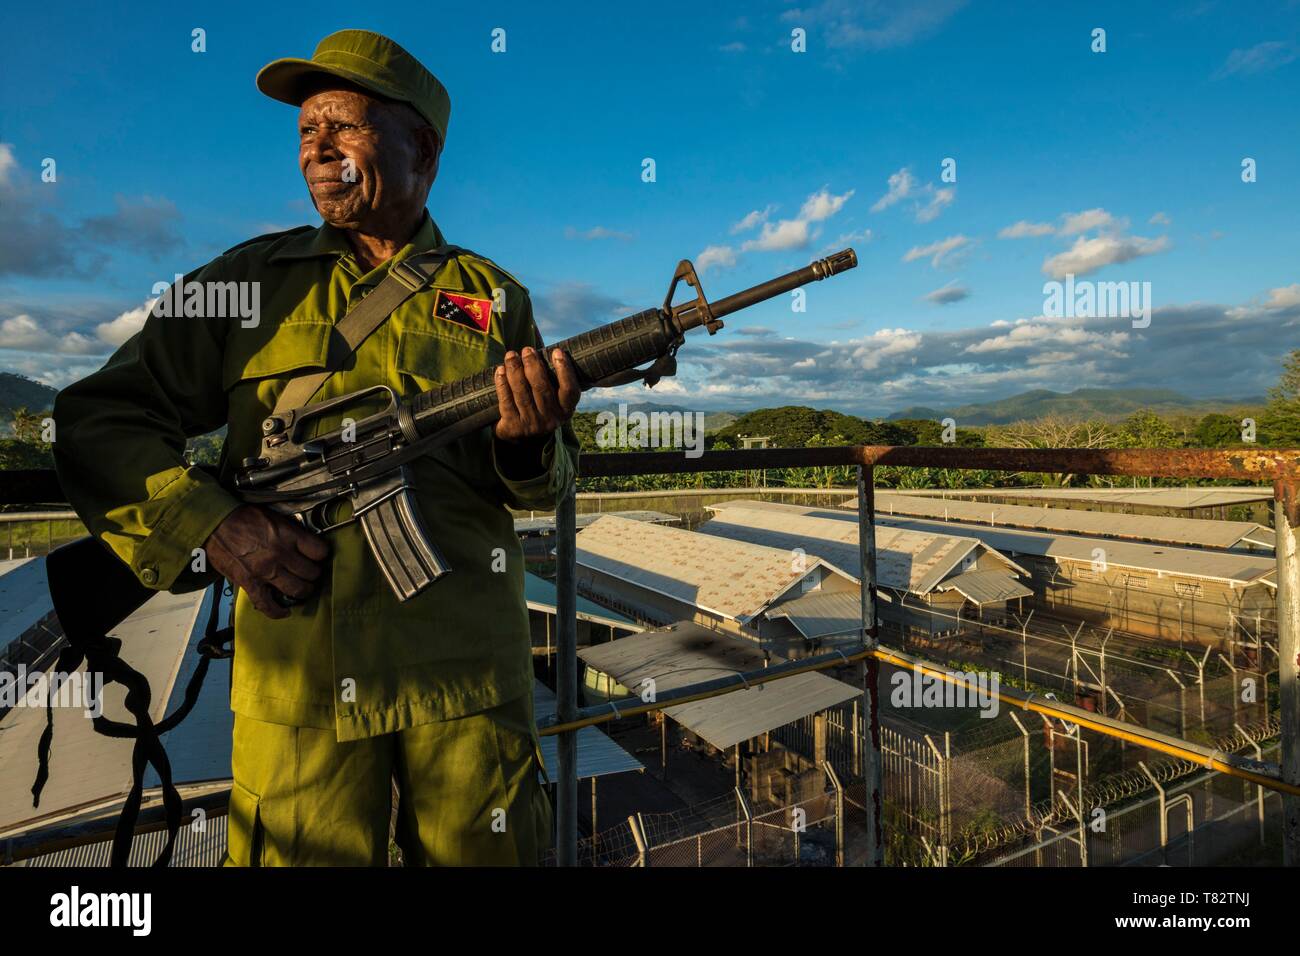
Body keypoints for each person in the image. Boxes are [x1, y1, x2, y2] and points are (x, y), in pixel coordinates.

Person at [52, 28, 581, 866]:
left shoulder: (491, 297)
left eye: (345, 124)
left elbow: (540, 487)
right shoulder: (245, 284)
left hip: (465, 674)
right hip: (301, 676)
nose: (317, 148)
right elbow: (99, 417)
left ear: (424, 149)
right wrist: (212, 523)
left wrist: (527, 443)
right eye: (307, 130)